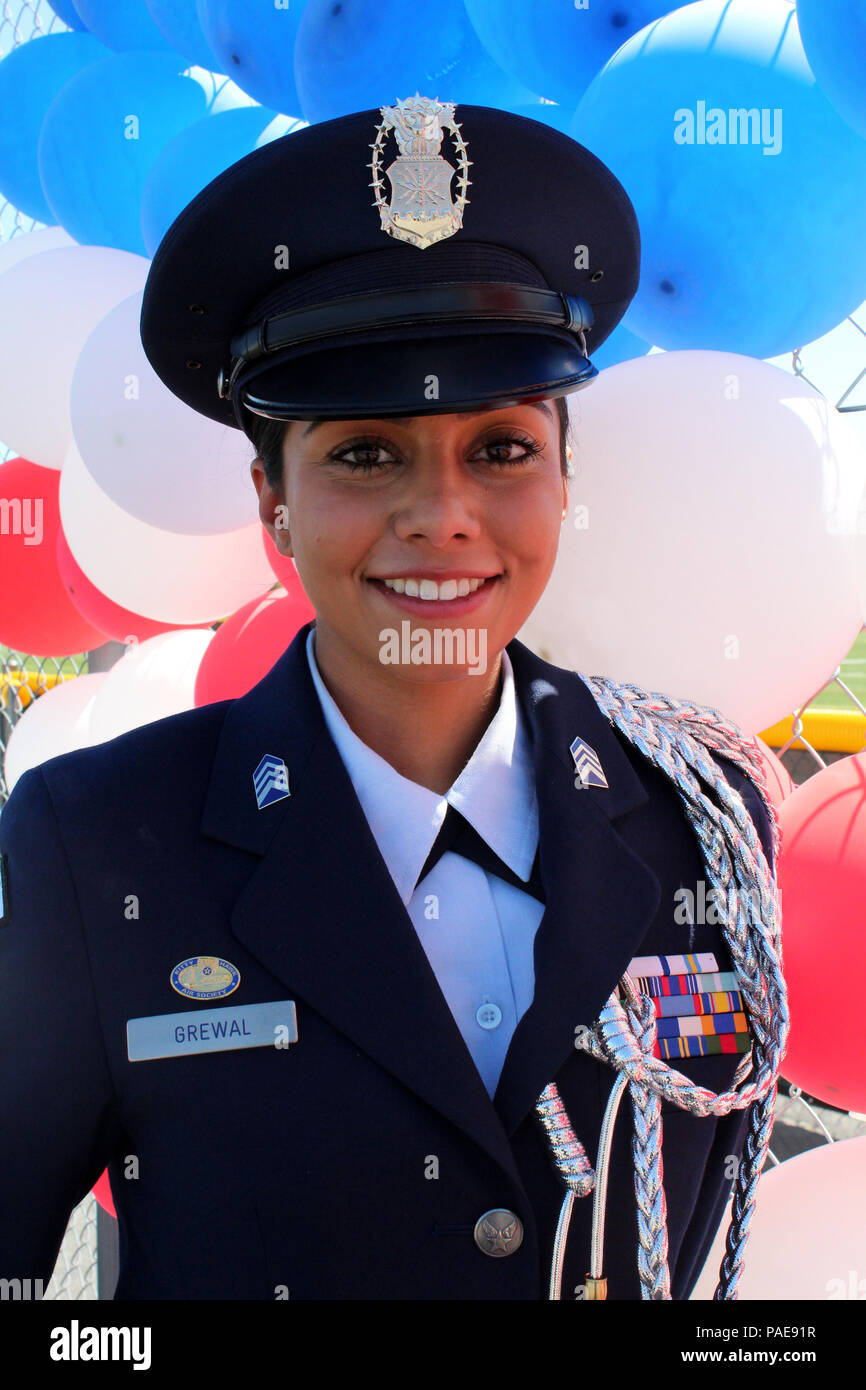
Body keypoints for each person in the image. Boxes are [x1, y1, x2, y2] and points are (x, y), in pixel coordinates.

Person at [0, 96, 785, 1301]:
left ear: (563, 472)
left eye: (501, 448)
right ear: (271, 499)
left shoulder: (704, 813)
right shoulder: (98, 842)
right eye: (365, 453)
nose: (442, 513)